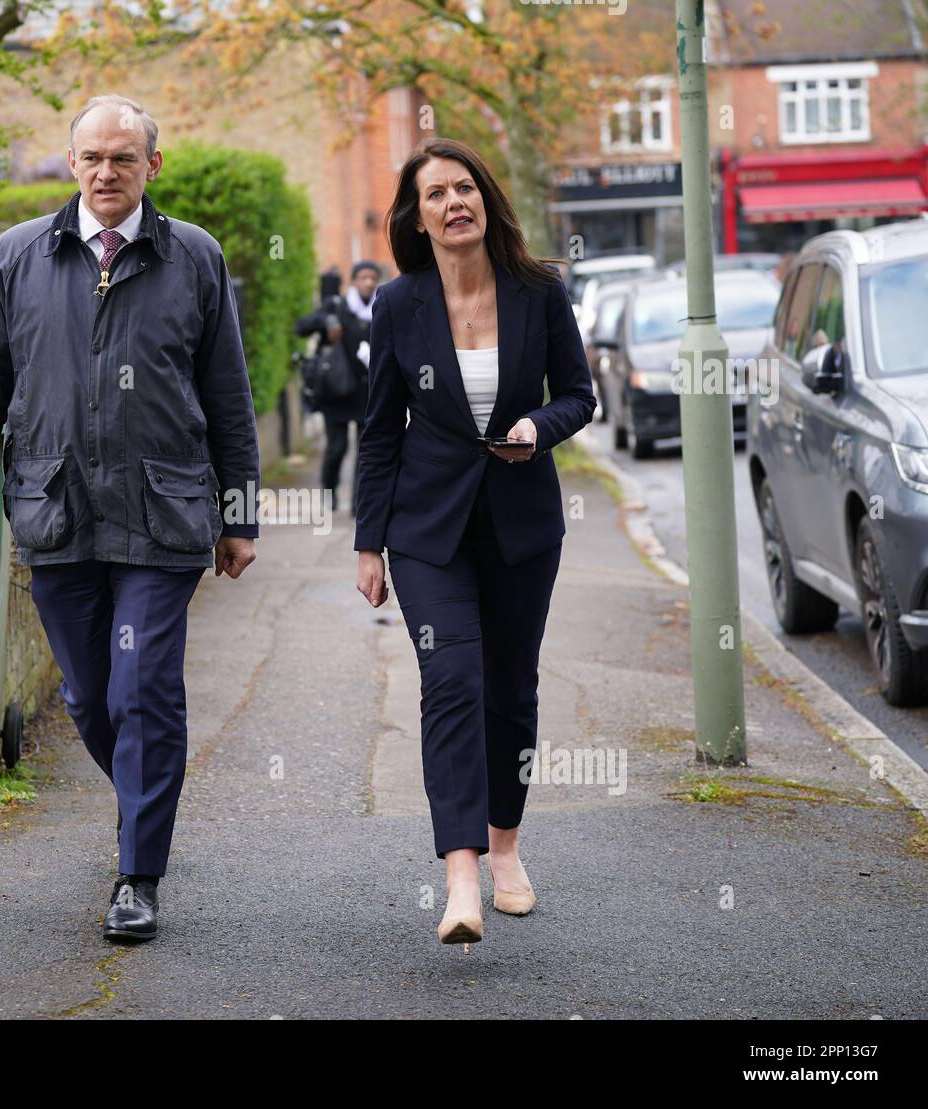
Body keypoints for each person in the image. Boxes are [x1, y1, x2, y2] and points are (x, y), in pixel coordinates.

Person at [0, 94, 260, 944]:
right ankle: (142, 802)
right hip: (58, 513)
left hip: (163, 518)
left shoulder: (194, 256)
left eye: (124, 157)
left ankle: (138, 874)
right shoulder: (18, 257)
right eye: (93, 157)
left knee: (142, 688)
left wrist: (240, 513)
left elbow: (228, 396)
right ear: (72, 162)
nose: (107, 171)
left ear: (152, 166)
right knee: (88, 696)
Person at [354, 136, 595, 948]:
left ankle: (506, 846)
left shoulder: (539, 292)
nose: (454, 203)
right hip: (427, 531)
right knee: (451, 679)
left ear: (485, 200)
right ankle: (460, 873)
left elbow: (582, 396)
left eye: (465, 188)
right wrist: (366, 543)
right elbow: (380, 430)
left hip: (523, 524)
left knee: (509, 691)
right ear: (416, 219)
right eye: (436, 195)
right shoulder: (399, 306)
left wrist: (539, 424)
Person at [297, 261, 381, 510]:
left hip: (367, 392)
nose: (368, 282)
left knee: (364, 452)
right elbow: (301, 327)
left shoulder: (382, 307)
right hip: (336, 392)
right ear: (354, 281)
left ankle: (359, 502)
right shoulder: (337, 307)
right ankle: (329, 491)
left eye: (372, 278)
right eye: (363, 277)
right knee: (337, 447)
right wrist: (326, 321)